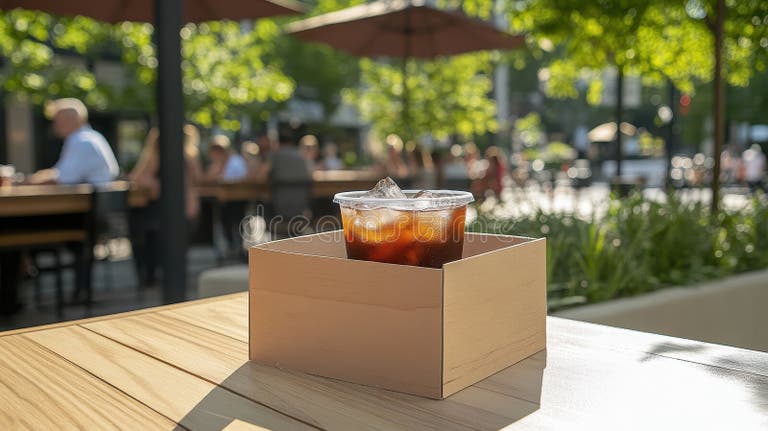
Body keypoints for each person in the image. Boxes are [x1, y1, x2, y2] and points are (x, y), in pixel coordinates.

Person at [128, 125, 203, 286]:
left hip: (179, 206)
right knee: (160, 240)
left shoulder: (187, 156)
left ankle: (166, 275)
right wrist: (158, 185)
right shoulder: (157, 156)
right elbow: (137, 178)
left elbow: (195, 180)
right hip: (163, 208)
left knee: (173, 241)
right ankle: (159, 275)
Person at [28, 98, 118, 184]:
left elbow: (63, 178)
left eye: (58, 120)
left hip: (92, 194)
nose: (55, 125)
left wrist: (29, 181)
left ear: (74, 119)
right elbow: (61, 173)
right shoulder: (89, 137)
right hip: (93, 193)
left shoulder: (82, 141)